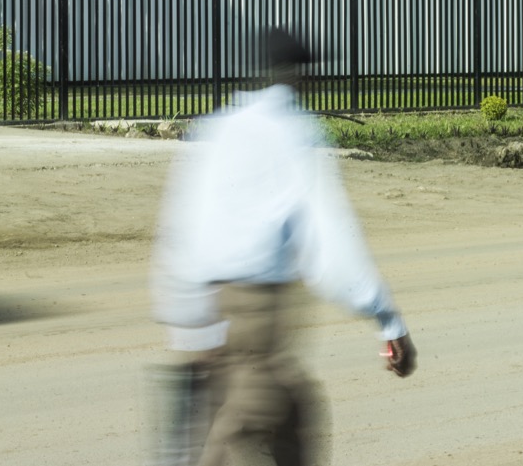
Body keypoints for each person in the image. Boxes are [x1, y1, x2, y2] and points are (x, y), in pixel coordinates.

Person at [153, 28, 416, 466]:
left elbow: (180, 232)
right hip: (258, 321)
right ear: (297, 76)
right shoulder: (296, 133)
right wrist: (388, 321)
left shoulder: (215, 129)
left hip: (208, 316)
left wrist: (189, 328)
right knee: (258, 433)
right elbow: (331, 249)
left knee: (256, 427)